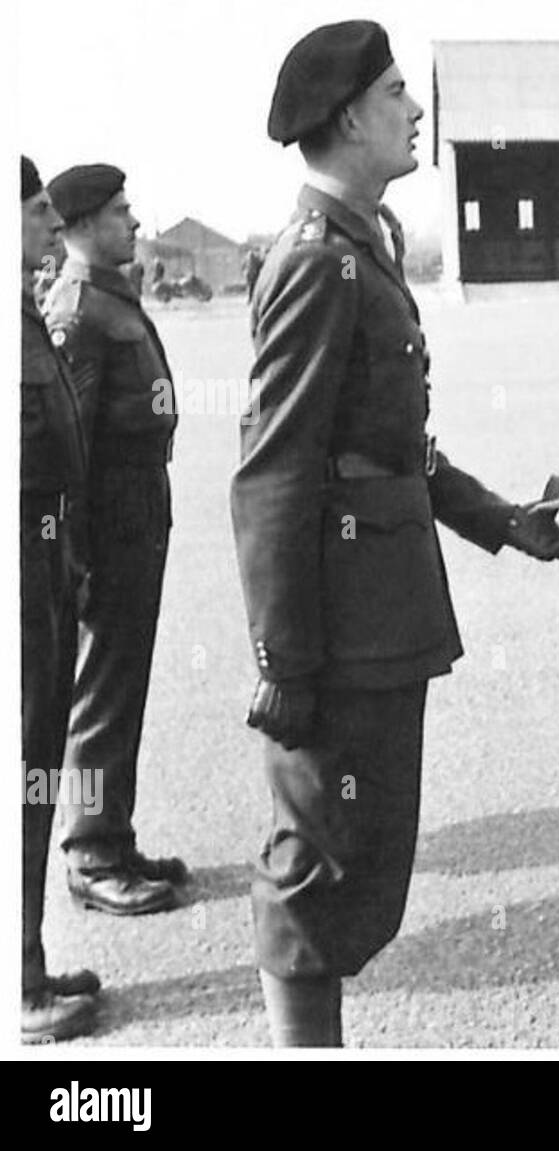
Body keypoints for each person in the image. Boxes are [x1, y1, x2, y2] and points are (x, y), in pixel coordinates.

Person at [233, 20, 559, 1047]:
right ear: (351, 117)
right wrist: (284, 659)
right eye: (399, 92)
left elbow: (398, 447)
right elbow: (274, 474)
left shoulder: (366, 247)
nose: (417, 108)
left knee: (365, 860)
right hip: (337, 625)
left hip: (380, 607)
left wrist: (511, 523)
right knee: (314, 861)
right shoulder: (319, 263)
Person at [44, 164, 187, 916]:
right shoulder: (76, 312)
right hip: (106, 532)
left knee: (122, 685)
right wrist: (76, 554)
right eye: (122, 212)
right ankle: (91, 852)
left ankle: (115, 833)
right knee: (98, 693)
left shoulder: (112, 297)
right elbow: (68, 448)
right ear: (84, 224)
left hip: (138, 518)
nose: (134, 223)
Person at [20, 156, 103, 1044]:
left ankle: (28, 959)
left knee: (38, 767)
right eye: (36, 209)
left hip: (43, 574)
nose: (52, 220)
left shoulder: (27, 316)